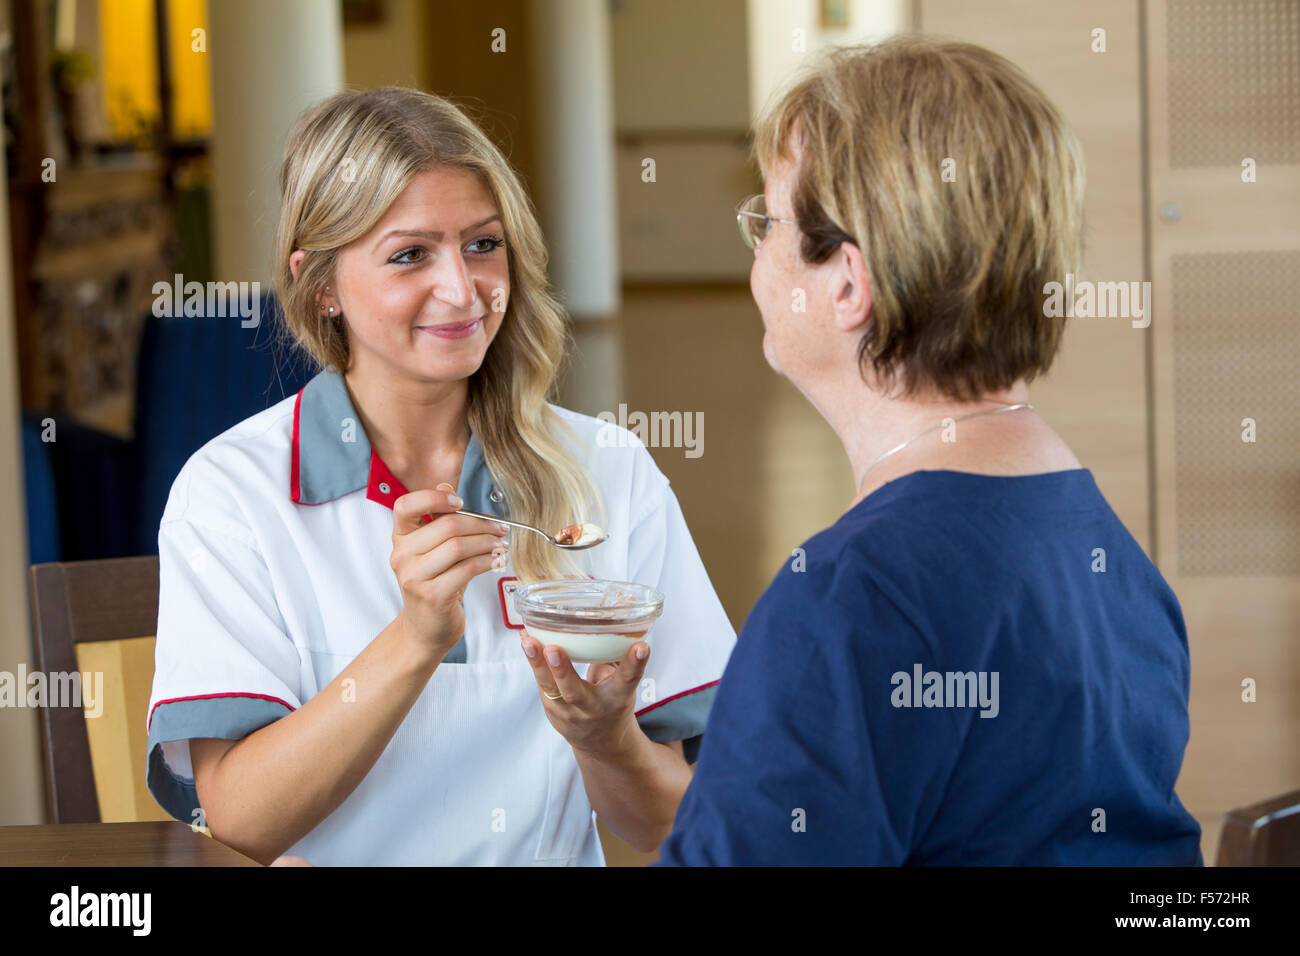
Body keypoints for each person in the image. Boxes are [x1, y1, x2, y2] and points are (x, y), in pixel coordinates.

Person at [144, 87, 735, 865]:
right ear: (321, 285)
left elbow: (681, 826)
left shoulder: (610, 472)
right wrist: (417, 636)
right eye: (409, 254)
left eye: (483, 245)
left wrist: (604, 739)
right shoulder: (230, 495)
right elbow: (241, 820)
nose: (463, 290)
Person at [659, 36, 1202, 865]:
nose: (757, 259)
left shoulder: (847, 603)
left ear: (847, 284)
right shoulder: (1109, 557)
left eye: (767, 223)